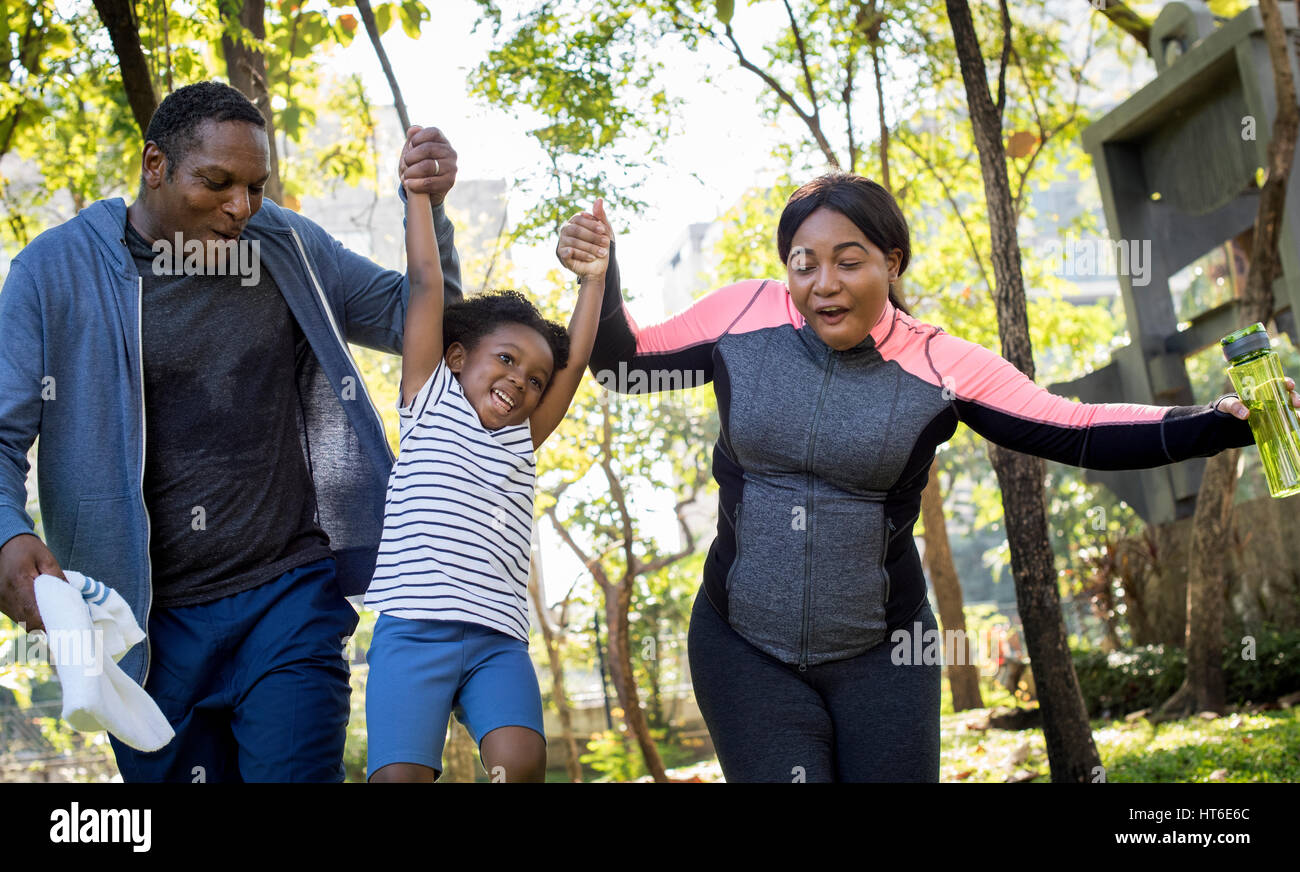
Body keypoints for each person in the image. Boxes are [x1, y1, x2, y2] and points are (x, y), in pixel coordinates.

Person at [557, 172, 1300, 783]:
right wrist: (603, 273)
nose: (823, 283)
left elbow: (1072, 428)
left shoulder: (938, 361)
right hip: (743, 644)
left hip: (882, 655)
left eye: (850, 261)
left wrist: (1219, 421)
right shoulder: (744, 313)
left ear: (894, 262)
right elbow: (626, 363)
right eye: (804, 262)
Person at [0, 81, 462, 782]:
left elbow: (420, 323)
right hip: (146, 637)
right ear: (155, 165)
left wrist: (428, 212)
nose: (240, 208)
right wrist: (8, 533)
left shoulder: (284, 244)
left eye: (254, 186)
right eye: (216, 183)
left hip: (286, 599)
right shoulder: (55, 271)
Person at [363, 197, 611, 783]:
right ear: (456, 357)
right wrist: (418, 196)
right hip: (413, 631)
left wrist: (593, 280)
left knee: (521, 762)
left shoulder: (522, 437)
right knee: (401, 778)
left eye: (533, 380)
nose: (518, 382)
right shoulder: (428, 399)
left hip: (495, 640)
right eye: (505, 359)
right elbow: (425, 284)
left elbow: (573, 364)